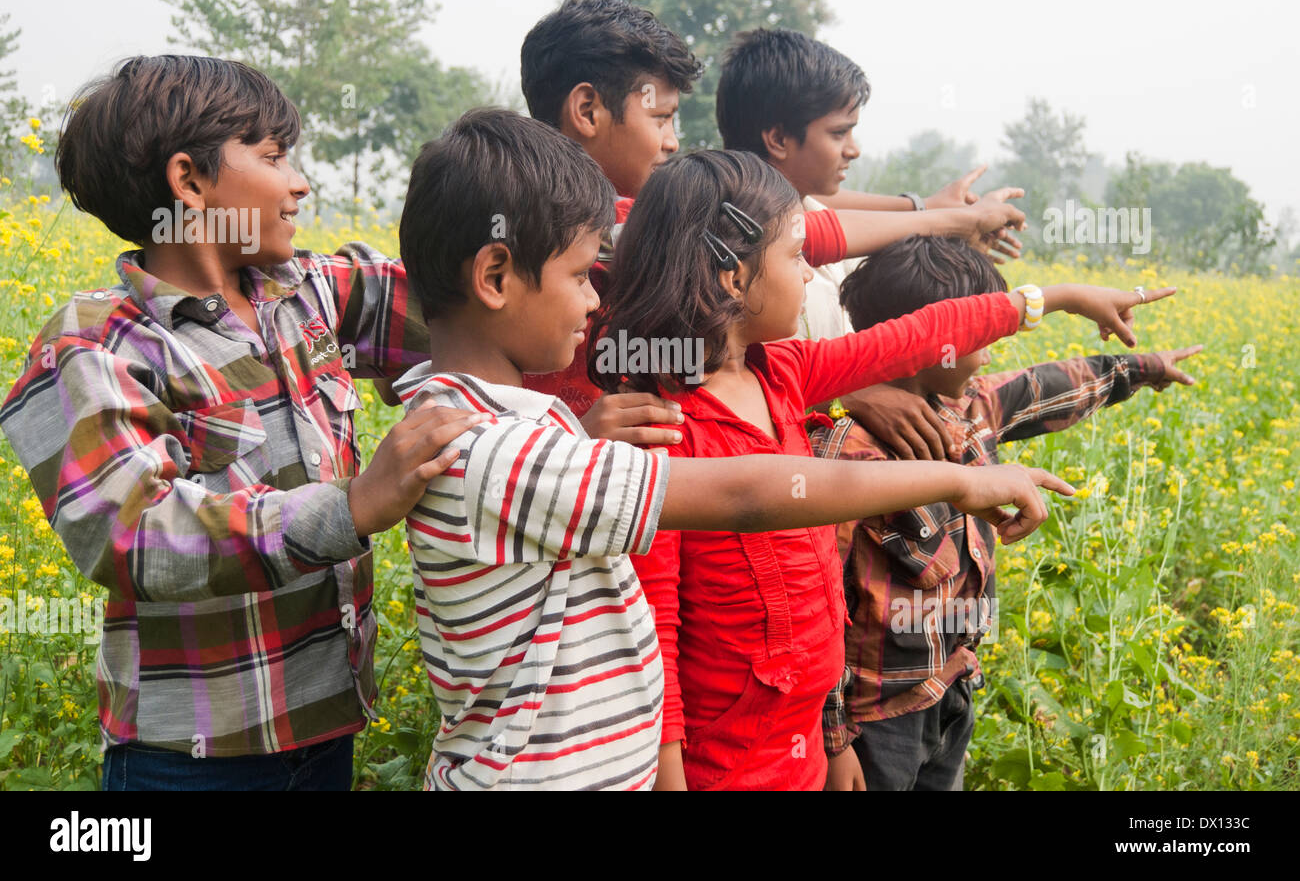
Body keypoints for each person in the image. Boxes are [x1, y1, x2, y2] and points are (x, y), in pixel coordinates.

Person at [391, 108, 1073, 789]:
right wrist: (954, 481)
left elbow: (908, 338)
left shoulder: (558, 429)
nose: (593, 299)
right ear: (496, 277)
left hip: (787, 746)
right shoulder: (527, 446)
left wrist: (1048, 301)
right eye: (578, 277)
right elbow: (745, 498)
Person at [589, 148, 1167, 790]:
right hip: (722, 765)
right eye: (795, 257)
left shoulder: (783, 372)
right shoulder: (660, 429)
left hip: (801, 744)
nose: (810, 277)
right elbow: (655, 634)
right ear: (732, 278)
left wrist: (1055, 298)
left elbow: (921, 331)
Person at [0, 55, 479, 790]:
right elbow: (133, 534)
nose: (300, 183)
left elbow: (478, 303)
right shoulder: (93, 343)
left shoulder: (311, 293)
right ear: (190, 182)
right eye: (275, 157)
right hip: (190, 763)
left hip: (328, 730)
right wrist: (349, 508)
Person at [816, 235, 1198, 790]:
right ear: (932, 343)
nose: (993, 352)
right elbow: (820, 604)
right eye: (982, 337)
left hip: (951, 687)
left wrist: (1143, 368)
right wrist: (834, 740)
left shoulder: (970, 406)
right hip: (876, 722)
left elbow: (1050, 387)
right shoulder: (848, 450)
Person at [716, 26, 1025, 460]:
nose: (854, 150)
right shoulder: (728, 239)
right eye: (839, 133)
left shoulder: (811, 215)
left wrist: (931, 213)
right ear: (780, 139)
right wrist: (849, 394)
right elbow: (729, 377)